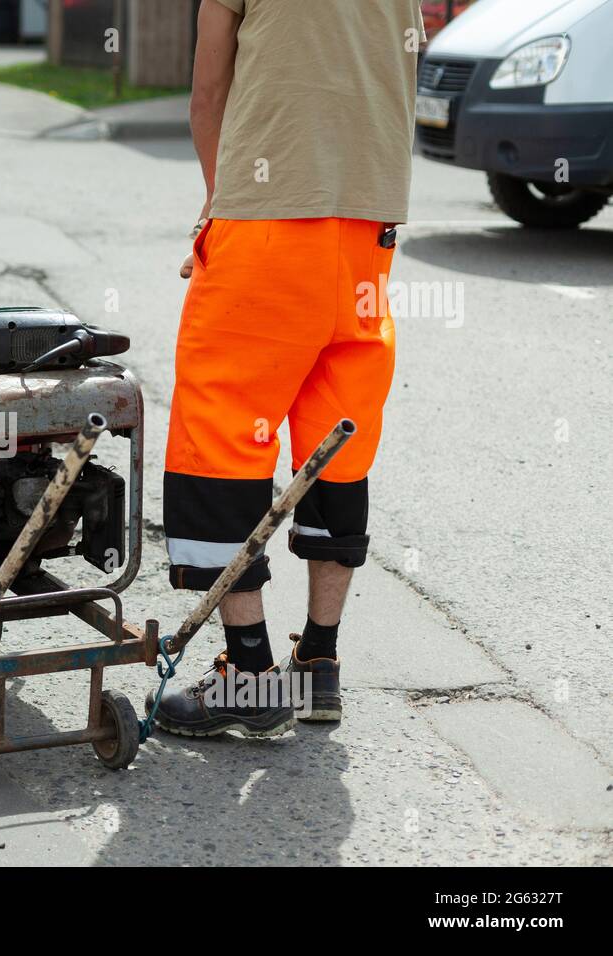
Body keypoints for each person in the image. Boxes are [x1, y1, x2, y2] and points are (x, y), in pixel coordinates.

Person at [149, 0, 425, 736]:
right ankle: (320, 664)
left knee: (220, 439)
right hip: (369, 237)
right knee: (339, 445)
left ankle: (247, 673)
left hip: (269, 228)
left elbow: (208, 98)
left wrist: (219, 205)